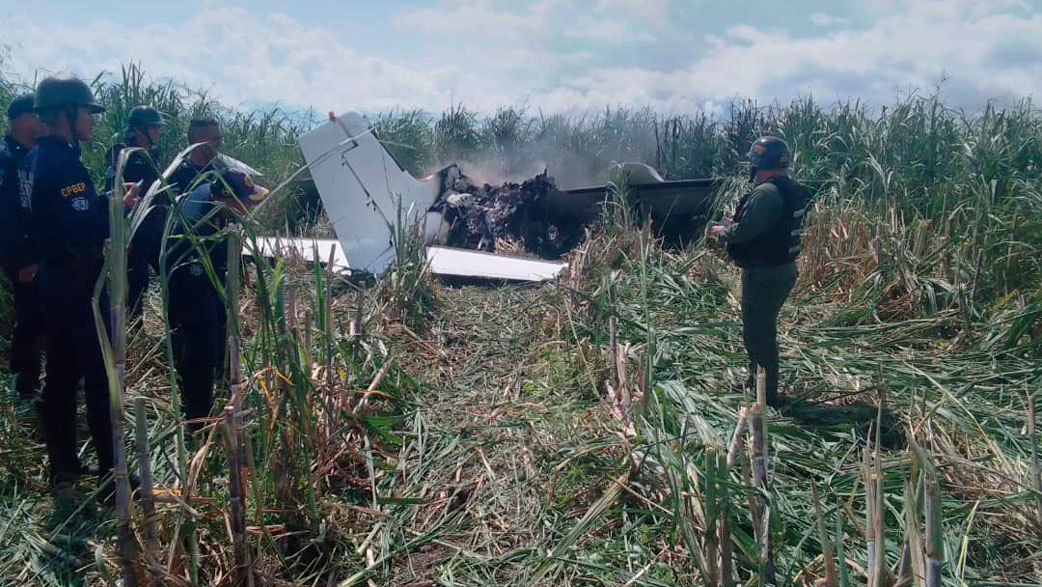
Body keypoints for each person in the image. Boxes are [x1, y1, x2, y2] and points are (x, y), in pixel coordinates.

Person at [20, 76, 141, 491]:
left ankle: (64, 466)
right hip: (78, 285)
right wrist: (120, 207)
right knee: (99, 377)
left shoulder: (32, 159)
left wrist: (105, 200)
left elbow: (63, 214)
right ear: (67, 113)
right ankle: (112, 476)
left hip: (53, 281)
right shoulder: (64, 164)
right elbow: (85, 226)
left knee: (61, 375)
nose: (92, 120)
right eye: (88, 111)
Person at [166, 167, 266, 430]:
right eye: (245, 202)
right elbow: (193, 281)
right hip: (189, 282)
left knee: (219, 331)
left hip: (205, 275)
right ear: (225, 200)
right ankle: (198, 420)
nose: (249, 208)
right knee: (200, 350)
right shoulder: (197, 228)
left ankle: (222, 393)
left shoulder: (213, 197)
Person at [711, 136, 807, 407]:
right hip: (782, 269)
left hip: (765, 274)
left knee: (759, 334)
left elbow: (745, 232)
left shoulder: (765, 193)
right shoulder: (789, 188)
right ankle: (757, 381)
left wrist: (721, 232)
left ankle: (767, 397)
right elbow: (768, 225)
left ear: (757, 164)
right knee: (759, 330)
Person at [0, 94, 46, 398]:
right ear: (22, 118)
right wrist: (22, 260)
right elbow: (5, 217)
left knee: (40, 316)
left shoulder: (35, 155)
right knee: (29, 318)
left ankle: (40, 378)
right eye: (38, 116)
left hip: (41, 255)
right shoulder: (5, 159)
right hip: (23, 258)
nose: (43, 122)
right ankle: (24, 386)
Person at [104, 105, 166, 320]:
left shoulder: (154, 154)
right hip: (135, 228)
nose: (158, 132)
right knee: (136, 281)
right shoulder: (121, 154)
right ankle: (133, 328)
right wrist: (123, 234)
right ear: (139, 129)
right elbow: (113, 192)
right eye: (154, 127)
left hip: (156, 225)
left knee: (169, 272)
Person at [168, 117, 224, 195]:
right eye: (216, 139)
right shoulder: (176, 173)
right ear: (198, 139)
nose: (219, 144)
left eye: (220, 139)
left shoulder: (222, 170)